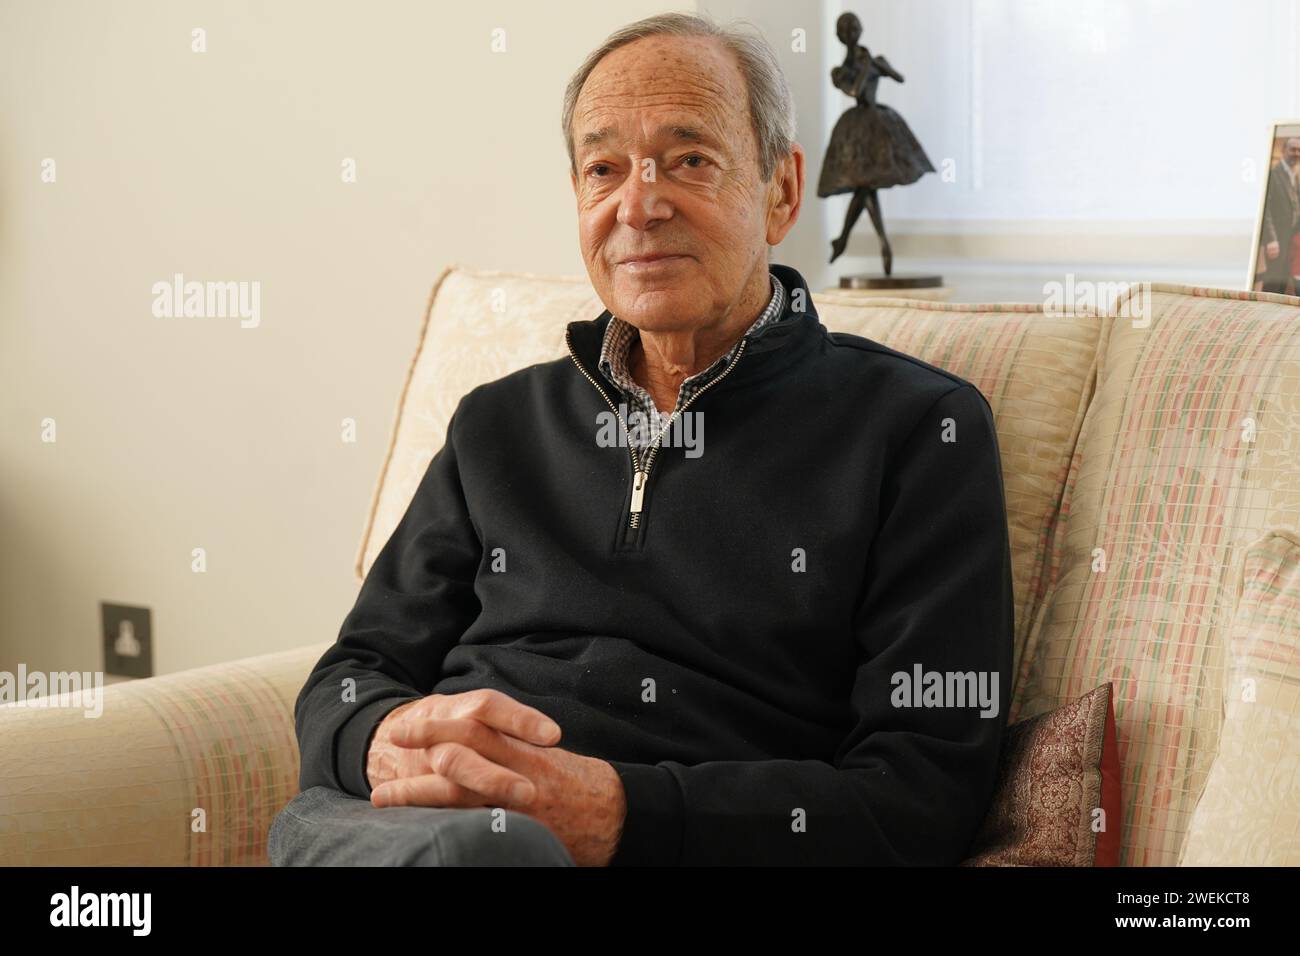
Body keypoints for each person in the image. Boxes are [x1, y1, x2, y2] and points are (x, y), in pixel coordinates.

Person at [269, 11, 1014, 867]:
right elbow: (350, 672)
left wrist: (626, 814)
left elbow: (923, 792)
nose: (639, 204)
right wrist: (381, 738)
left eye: (690, 160)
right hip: (405, 832)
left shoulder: (921, 429)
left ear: (781, 189)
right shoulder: (496, 424)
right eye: (604, 169)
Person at [1259, 137, 1300, 294]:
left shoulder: (1293, 175)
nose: (1296, 153)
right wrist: (1271, 239)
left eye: (1299, 150)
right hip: (1277, 240)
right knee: (1273, 283)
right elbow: (1266, 209)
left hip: (1289, 240)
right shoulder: (1273, 174)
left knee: (1282, 283)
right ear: (1284, 151)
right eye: (1292, 149)